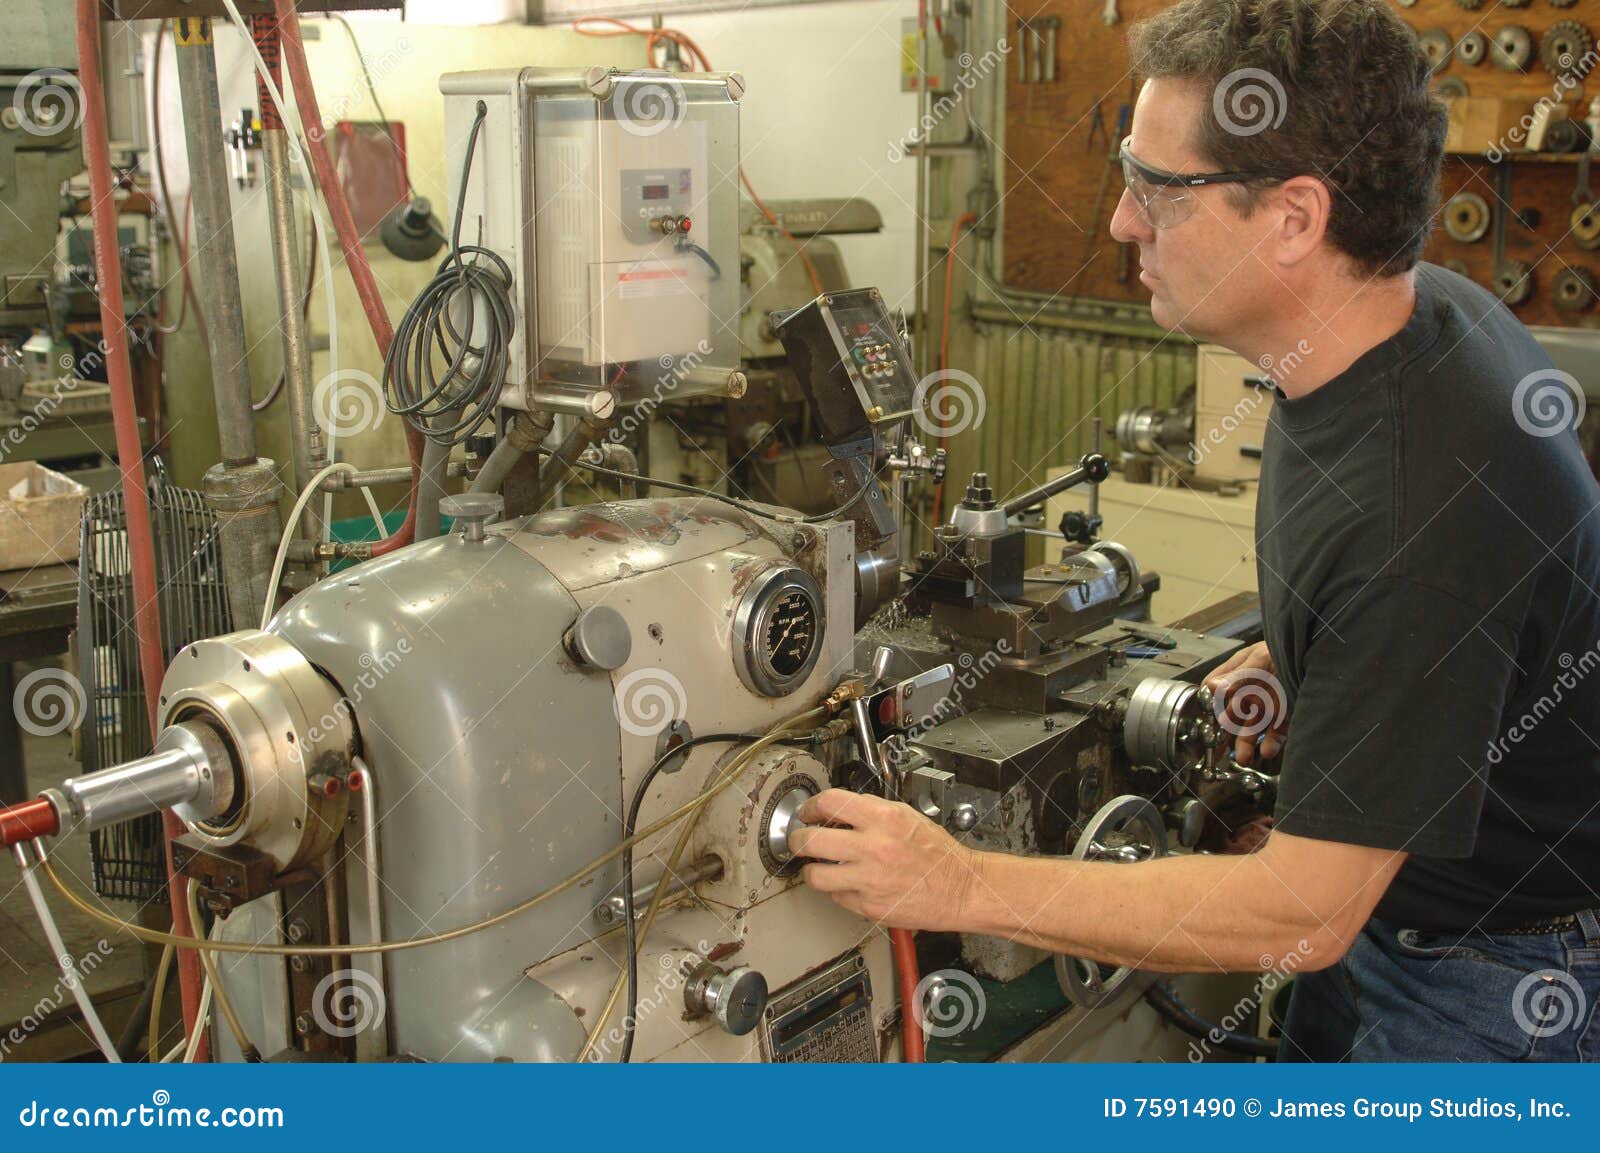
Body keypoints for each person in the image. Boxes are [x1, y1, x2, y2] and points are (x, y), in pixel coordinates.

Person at [797, 0, 1600, 1061]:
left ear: (1294, 218)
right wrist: (1315, 655)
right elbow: (1492, 600)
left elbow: (1300, 915)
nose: (1123, 223)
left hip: (1492, 974)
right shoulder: (1415, 317)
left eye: (1154, 192)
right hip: (1406, 903)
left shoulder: (1419, 505)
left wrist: (958, 880)